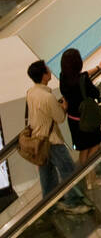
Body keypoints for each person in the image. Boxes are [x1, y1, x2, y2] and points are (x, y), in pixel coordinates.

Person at [25, 60, 91, 213]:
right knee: (68, 171)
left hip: (38, 140)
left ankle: (50, 205)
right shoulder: (47, 97)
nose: (49, 70)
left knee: (46, 175)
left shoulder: (31, 92)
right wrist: (64, 107)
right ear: (44, 75)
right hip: (52, 140)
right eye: (47, 69)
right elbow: (60, 117)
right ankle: (74, 203)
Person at [58, 47, 101, 187]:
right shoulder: (83, 80)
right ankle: (91, 179)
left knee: (84, 150)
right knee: (94, 145)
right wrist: (99, 69)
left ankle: (89, 178)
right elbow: (95, 94)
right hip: (87, 120)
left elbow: (81, 76)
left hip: (74, 121)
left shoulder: (63, 77)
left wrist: (98, 68)